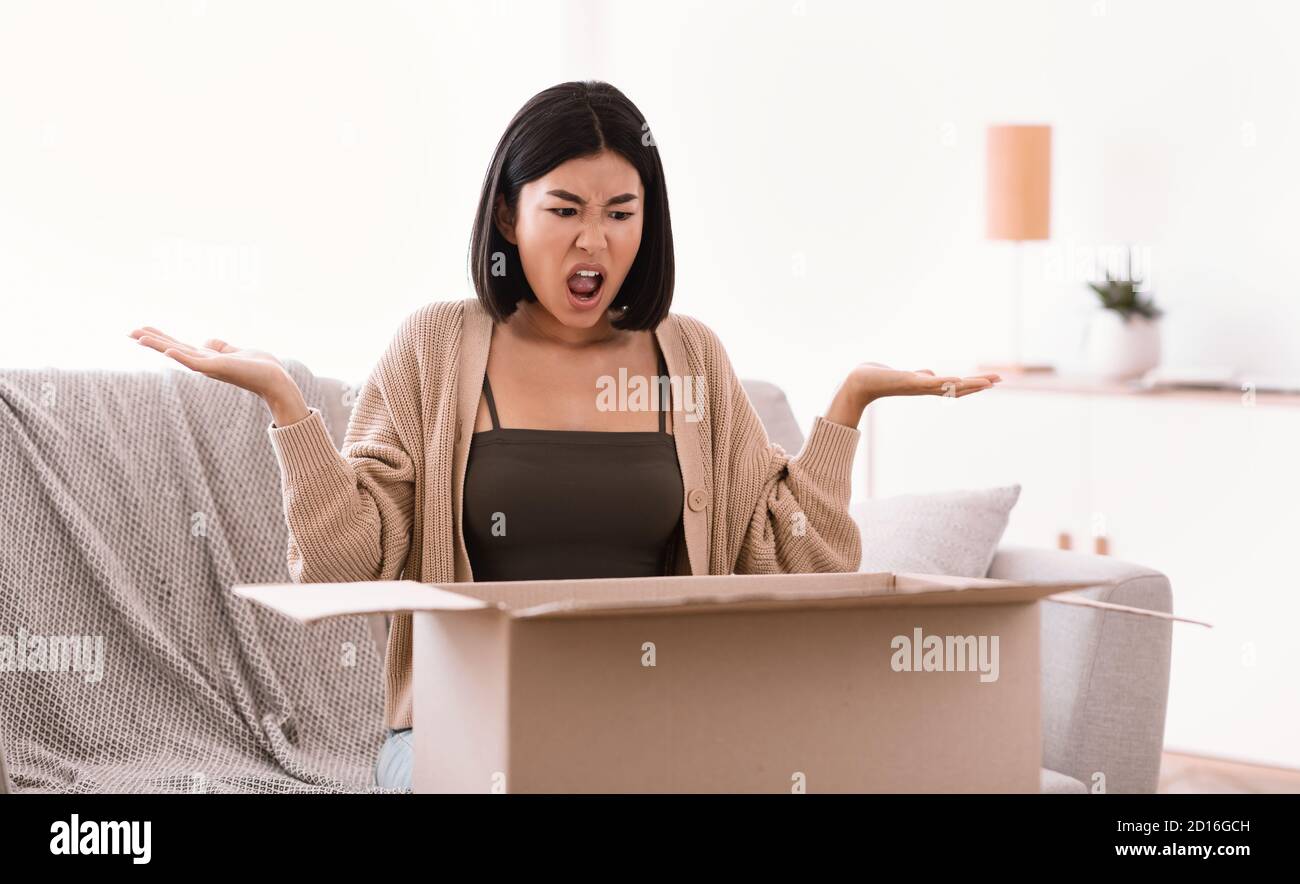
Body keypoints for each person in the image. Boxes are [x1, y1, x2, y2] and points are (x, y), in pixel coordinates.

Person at [129, 81, 999, 792]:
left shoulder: (687, 355)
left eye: (622, 212)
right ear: (509, 218)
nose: (596, 240)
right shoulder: (436, 346)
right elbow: (344, 564)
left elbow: (794, 567)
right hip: (458, 738)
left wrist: (846, 407)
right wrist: (286, 402)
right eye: (565, 209)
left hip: (656, 730)